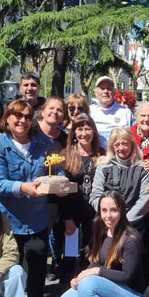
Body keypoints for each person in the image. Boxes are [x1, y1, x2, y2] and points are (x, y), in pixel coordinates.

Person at [0, 100, 62, 297]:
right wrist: (22, 187)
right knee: (12, 266)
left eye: (28, 117)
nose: (23, 121)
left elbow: (57, 170)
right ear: (7, 119)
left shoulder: (44, 144)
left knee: (38, 260)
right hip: (9, 218)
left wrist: (62, 184)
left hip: (37, 218)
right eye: (17, 116)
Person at [57, 192, 146, 297]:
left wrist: (96, 272)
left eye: (114, 210)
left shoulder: (130, 238)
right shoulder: (101, 231)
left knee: (89, 283)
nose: (108, 215)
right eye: (104, 210)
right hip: (110, 290)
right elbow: (96, 260)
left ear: (122, 211)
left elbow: (128, 276)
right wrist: (82, 275)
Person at [58, 114, 105, 276]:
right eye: (79, 129)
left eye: (87, 128)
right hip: (72, 213)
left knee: (91, 252)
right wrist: (67, 219)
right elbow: (61, 191)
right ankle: (65, 285)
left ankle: (87, 282)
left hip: (94, 214)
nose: (84, 133)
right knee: (70, 253)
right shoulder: (66, 154)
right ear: (74, 133)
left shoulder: (102, 154)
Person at [90, 128, 149, 238]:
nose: (121, 148)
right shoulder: (103, 167)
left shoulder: (143, 169)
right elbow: (95, 195)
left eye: (124, 144)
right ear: (112, 147)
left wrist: (126, 220)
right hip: (107, 224)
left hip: (133, 225)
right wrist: (108, 216)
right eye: (117, 144)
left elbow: (145, 199)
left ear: (132, 145)